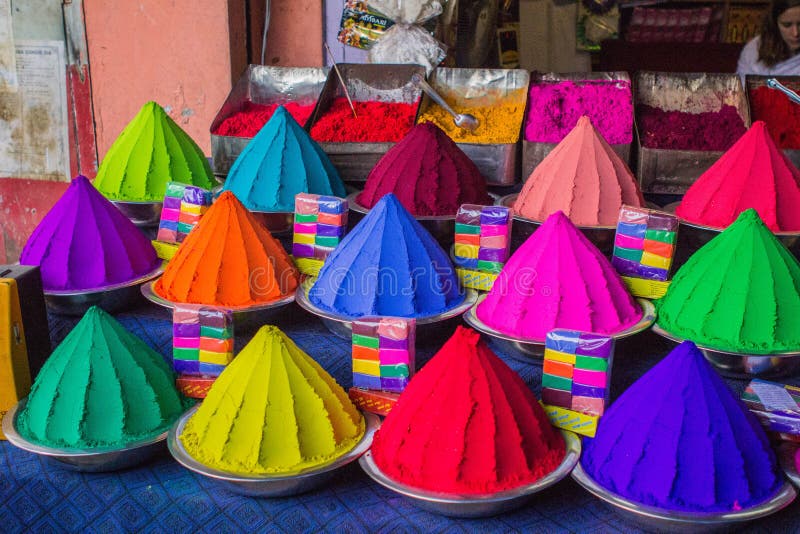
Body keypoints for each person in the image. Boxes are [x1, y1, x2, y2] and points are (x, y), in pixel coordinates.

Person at [737, 0, 800, 76]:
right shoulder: (754, 50)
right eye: (787, 25)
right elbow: (743, 84)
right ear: (774, 24)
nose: (795, 33)